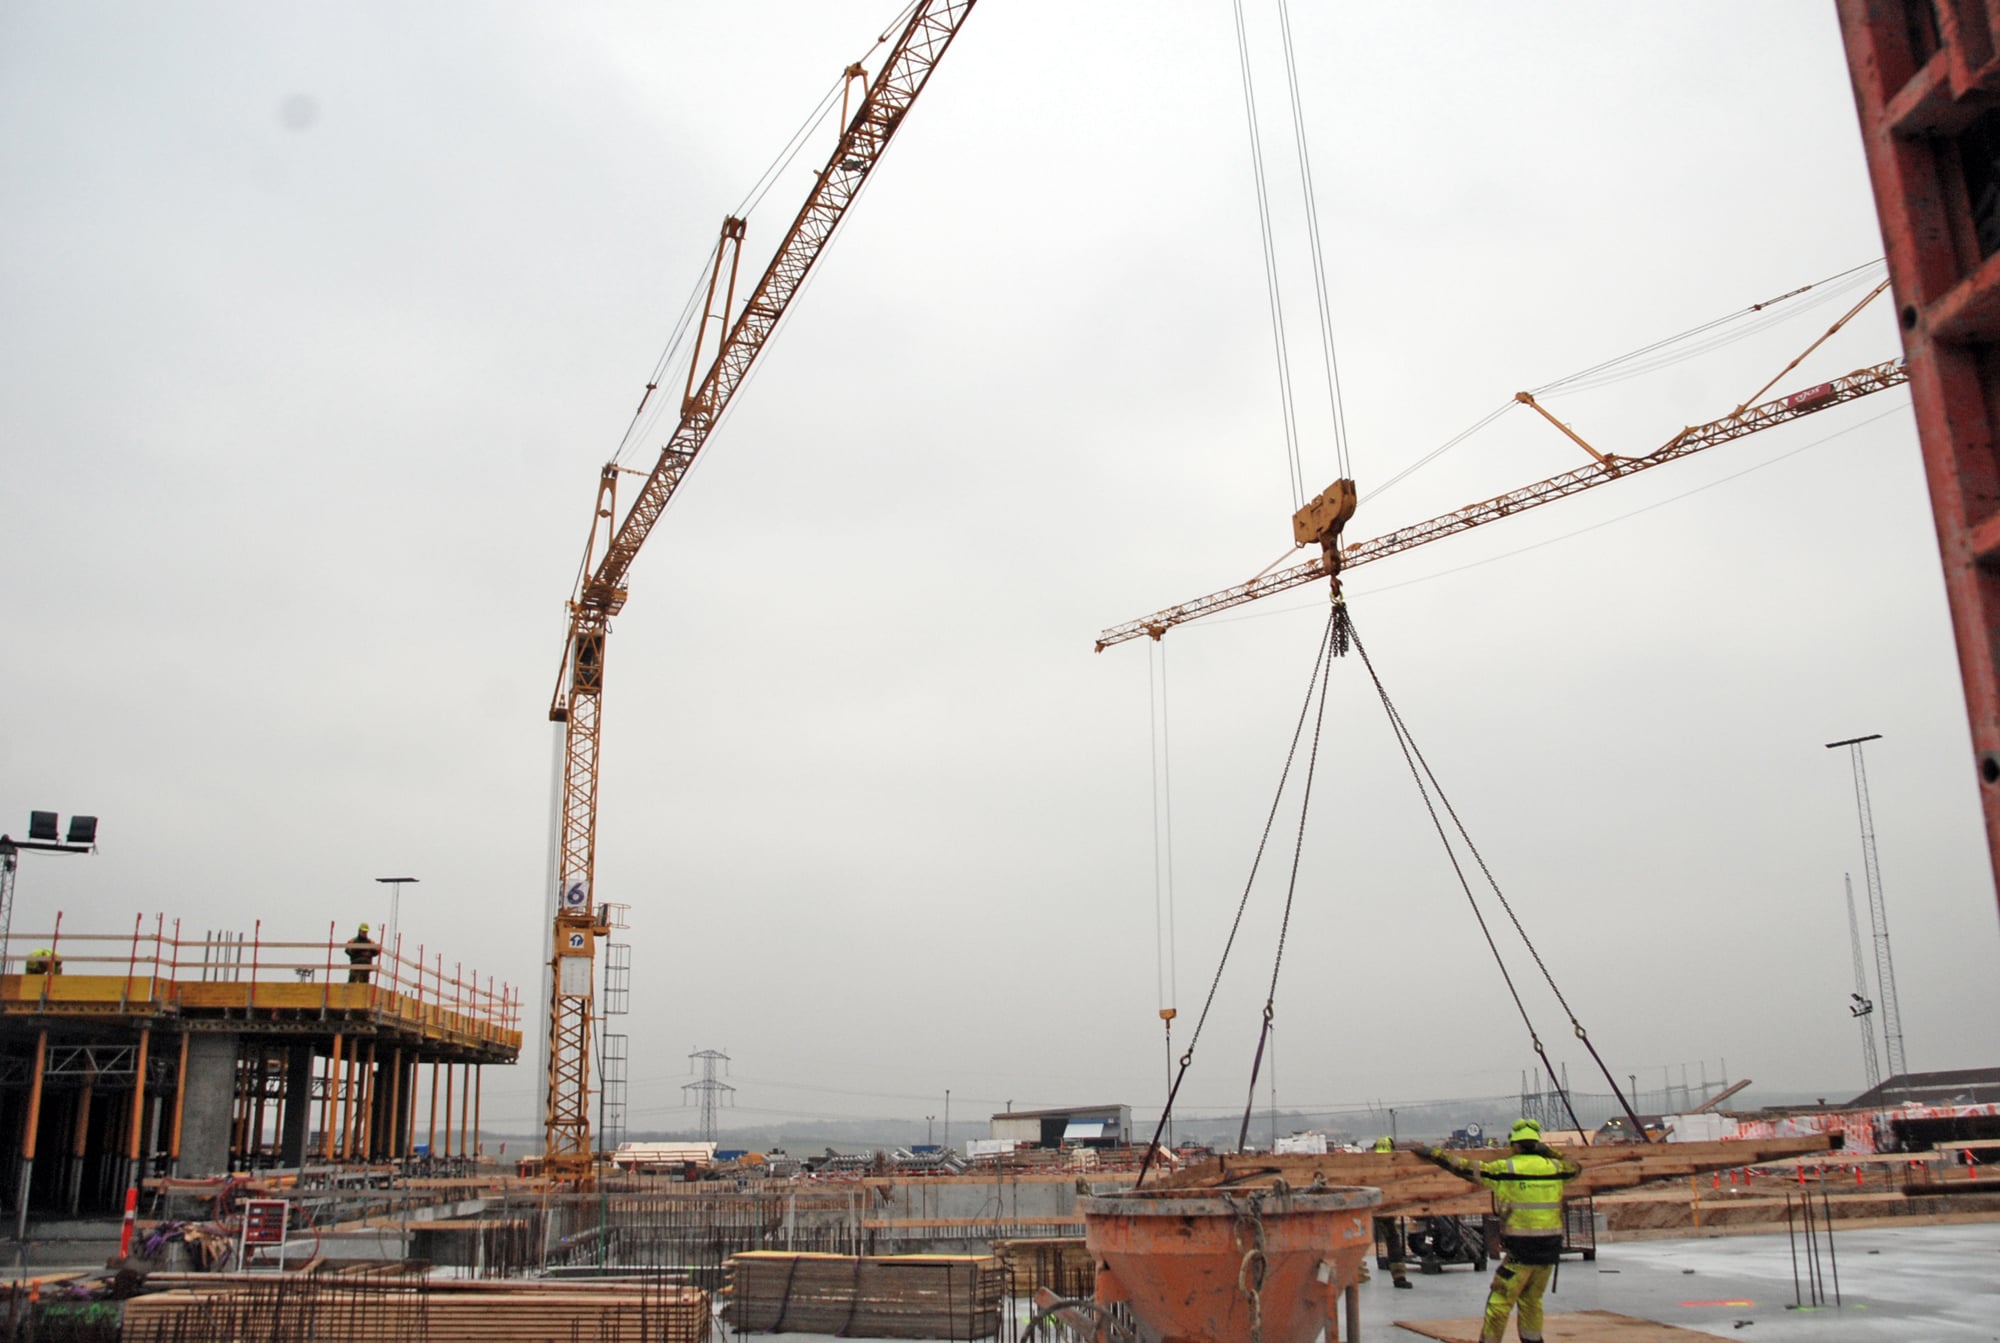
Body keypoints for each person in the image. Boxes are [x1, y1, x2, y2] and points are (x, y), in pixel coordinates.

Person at [1420, 1118, 1580, 1343]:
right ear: (1537, 1144)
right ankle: (1533, 1340)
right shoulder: (1556, 1169)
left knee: (1499, 1302)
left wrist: (1433, 1154)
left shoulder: (1506, 1169)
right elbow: (1575, 1166)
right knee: (1532, 1301)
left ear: (1515, 1145)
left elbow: (1465, 1167)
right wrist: (1550, 1151)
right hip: (1549, 1251)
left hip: (1520, 1252)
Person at [1371, 1136, 1412, 1288]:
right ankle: (1399, 1277)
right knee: (1392, 1238)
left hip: (1368, 1205)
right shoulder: (1393, 1162)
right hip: (1384, 1206)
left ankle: (1349, 1275)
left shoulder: (1370, 1162)